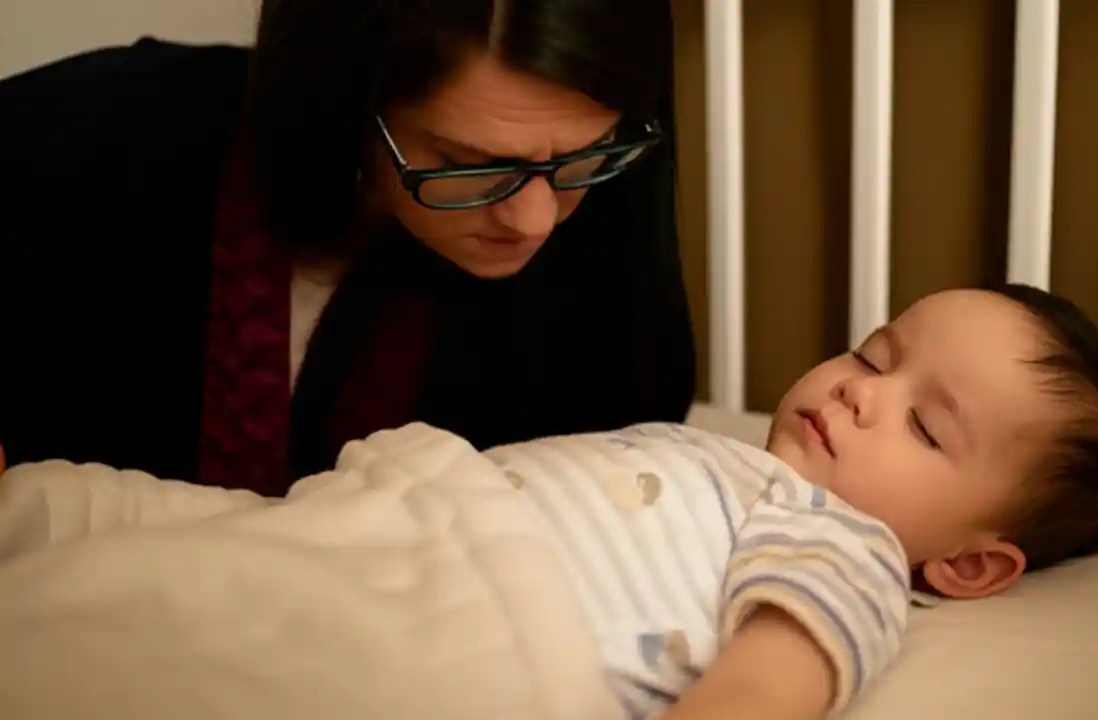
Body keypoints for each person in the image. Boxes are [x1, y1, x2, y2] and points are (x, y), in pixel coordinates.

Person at [0, 284, 1098, 719]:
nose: (858, 392)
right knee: (83, 515)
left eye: (923, 423)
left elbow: (775, 681)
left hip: (471, 626)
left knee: (125, 640)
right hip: (373, 523)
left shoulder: (837, 543)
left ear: (966, 565)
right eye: (872, 352)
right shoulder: (714, 453)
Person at [0, 0, 695, 496]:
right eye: (467, 163)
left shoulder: (613, 194)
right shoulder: (90, 137)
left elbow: (622, 499)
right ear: (347, 100)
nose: (535, 219)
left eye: (580, 157)